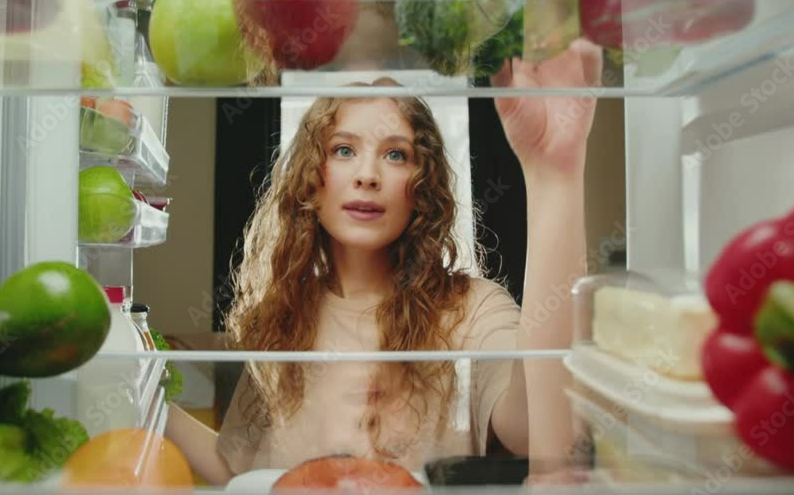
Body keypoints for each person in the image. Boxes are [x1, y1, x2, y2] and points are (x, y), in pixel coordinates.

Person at [164, 39, 603, 486]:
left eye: (396, 154)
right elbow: (236, 469)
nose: (368, 174)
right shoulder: (283, 318)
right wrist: (149, 397)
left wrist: (557, 173)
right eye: (343, 149)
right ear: (311, 183)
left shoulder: (473, 309)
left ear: (422, 188)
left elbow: (541, 433)